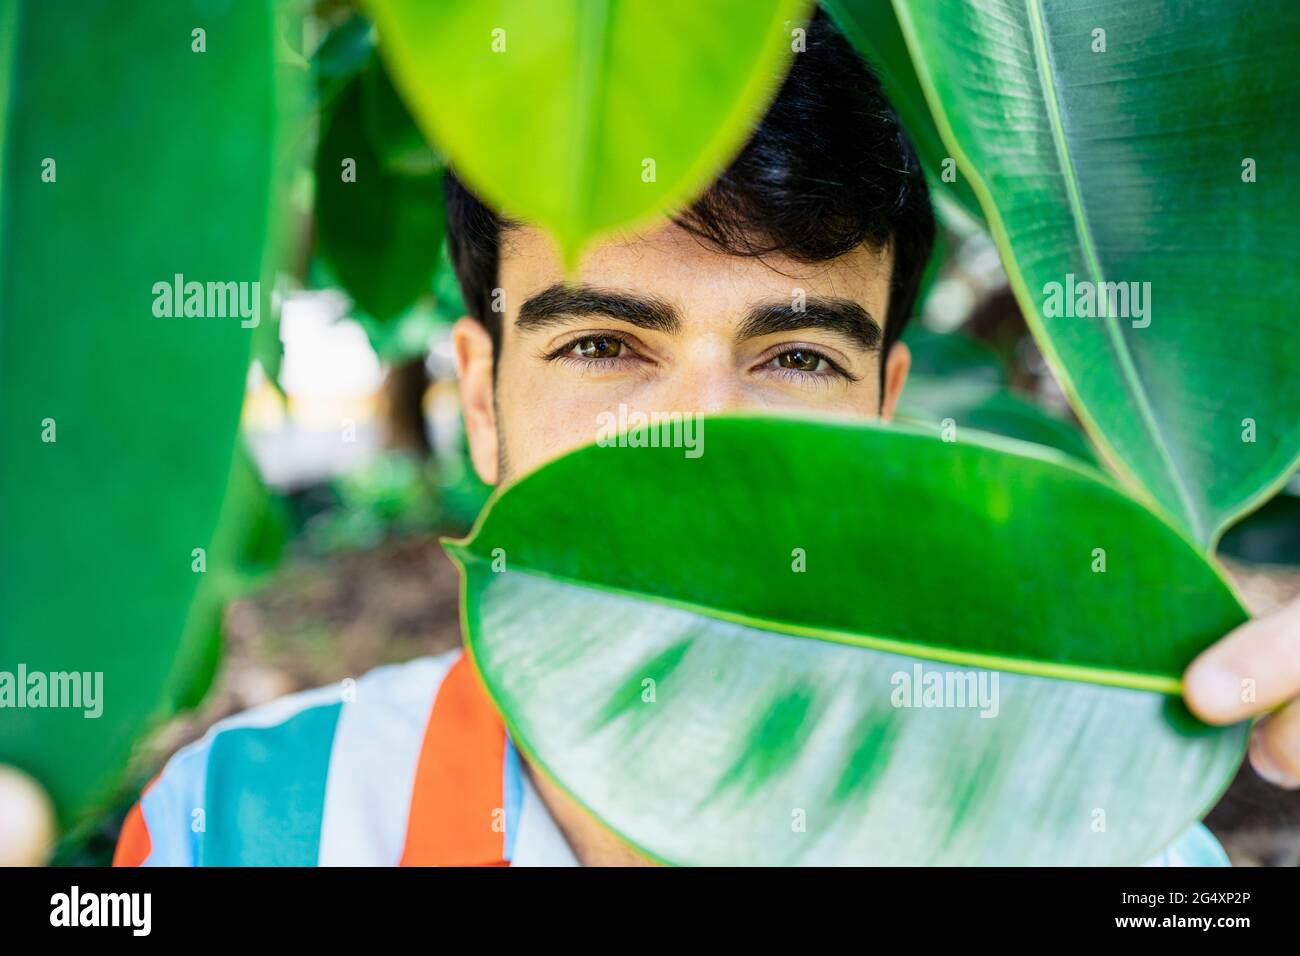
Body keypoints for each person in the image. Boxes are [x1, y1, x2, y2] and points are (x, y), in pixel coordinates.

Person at [84, 9, 1298, 867]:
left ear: (884, 412)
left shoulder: (1091, 831)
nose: (702, 449)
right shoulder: (242, 824)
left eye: (796, 357)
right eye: (604, 345)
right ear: (485, 398)